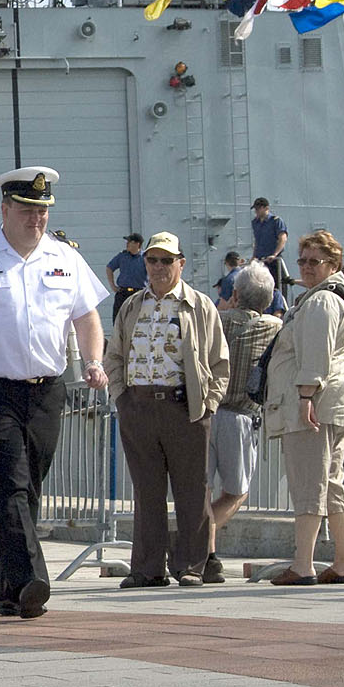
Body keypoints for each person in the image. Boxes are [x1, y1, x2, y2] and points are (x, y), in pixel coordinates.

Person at [0, 167, 109, 619]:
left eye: (43, 212)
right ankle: (33, 577)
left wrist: (92, 361)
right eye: (28, 211)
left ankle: (11, 592)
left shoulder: (64, 257)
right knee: (10, 477)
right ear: (5, 209)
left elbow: (87, 318)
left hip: (48, 390)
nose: (37, 220)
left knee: (28, 486)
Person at [104, 232, 229, 589]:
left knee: (192, 490)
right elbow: (115, 354)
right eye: (152, 260)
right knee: (147, 491)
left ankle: (191, 565)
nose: (158, 267)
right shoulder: (132, 306)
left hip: (183, 406)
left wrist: (209, 404)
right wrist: (121, 397)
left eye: (166, 260)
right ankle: (147, 568)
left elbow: (219, 360)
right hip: (139, 406)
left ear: (180, 264)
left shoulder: (198, 305)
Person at [264, 230, 344, 586]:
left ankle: (303, 564)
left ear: (333, 265)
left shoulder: (321, 302)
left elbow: (315, 355)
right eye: (302, 260)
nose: (306, 267)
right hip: (337, 401)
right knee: (333, 484)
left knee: (308, 483)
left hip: (313, 404)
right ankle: (342, 562)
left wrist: (306, 397)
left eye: (314, 261)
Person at [204, 261, 281, 583]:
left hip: (204, 415)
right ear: (268, 300)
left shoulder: (214, 321)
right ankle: (203, 545)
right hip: (241, 417)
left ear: (234, 294)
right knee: (236, 492)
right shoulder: (275, 327)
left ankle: (203, 551)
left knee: (201, 489)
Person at [250, 197, 289, 289]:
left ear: (266, 208)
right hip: (261, 261)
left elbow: (283, 238)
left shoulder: (276, 221)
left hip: (273, 261)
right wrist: (253, 256)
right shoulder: (255, 223)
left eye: (258, 208)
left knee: (276, 287)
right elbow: (257, 241)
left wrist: (274, 254)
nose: (256, 211)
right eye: (255, 209)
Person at [105, 233, 147, 316]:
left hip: (139, 294)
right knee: (118, 320)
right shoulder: (122, 256)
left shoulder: (145, 258)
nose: (127, 244)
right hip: (123, 294)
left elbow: (153, 273)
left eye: (129, 242)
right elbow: (109, 268)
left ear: (137, 244)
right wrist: (113, 286)